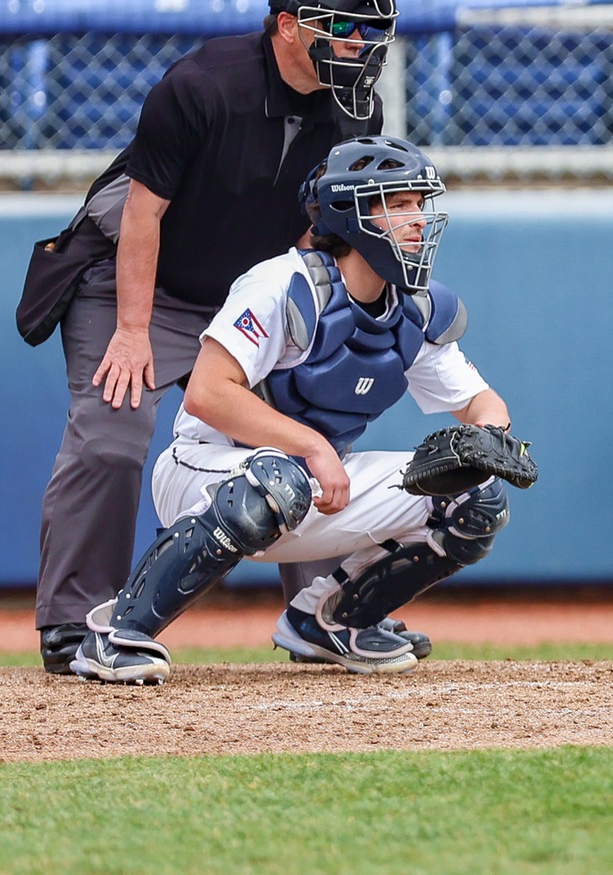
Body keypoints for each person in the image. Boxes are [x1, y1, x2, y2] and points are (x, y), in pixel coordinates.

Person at [28, 0, 404, 677]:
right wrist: (131, 333)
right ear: (288, 27)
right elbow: (142, 215)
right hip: (139, 283)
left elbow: (317, 228)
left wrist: (302, 326)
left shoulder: (358, 108)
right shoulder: (201, 84)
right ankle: (77, 622)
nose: (360, 44)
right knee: (111, 435)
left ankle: (324, 614)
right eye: (344, 27)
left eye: (370, 32)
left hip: (242, 290)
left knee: (308, 427)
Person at [72, 136, 517, 685]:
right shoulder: (283, 284)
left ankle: (331, 621)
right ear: (349, 213)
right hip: (207, 471)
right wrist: (312, 446)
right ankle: (116, 633)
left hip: (315, 488)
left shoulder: (415, 307)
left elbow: (480, 401)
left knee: (475, 499)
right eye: (399, 204)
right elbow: (207, 393)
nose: (419, 219)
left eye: (420, 203)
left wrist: (489, 437)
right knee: (276, 480)